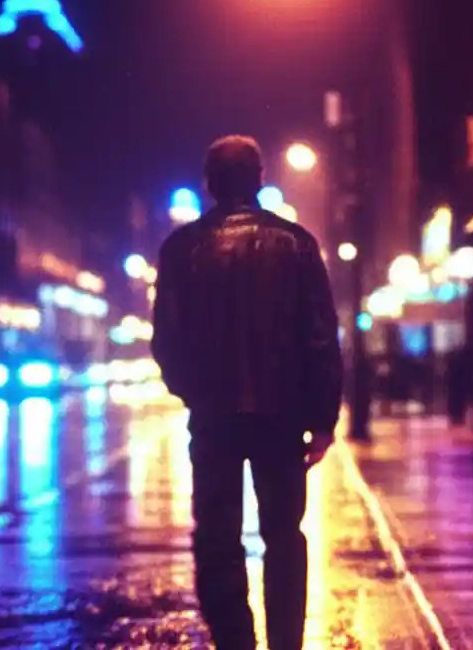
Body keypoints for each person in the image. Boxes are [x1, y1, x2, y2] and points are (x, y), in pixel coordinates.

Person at [151, 135, 342, 650]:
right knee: (284, 535)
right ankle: (285, 643)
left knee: (217, 538)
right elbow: (320, 335)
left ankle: (236, 641)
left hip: (214, 417)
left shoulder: (181, 248)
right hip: (281, 415)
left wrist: (195, 392)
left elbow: (166, 341)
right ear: (259, 179)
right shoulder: (296, 243)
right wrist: (322, 417)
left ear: (210, 182)